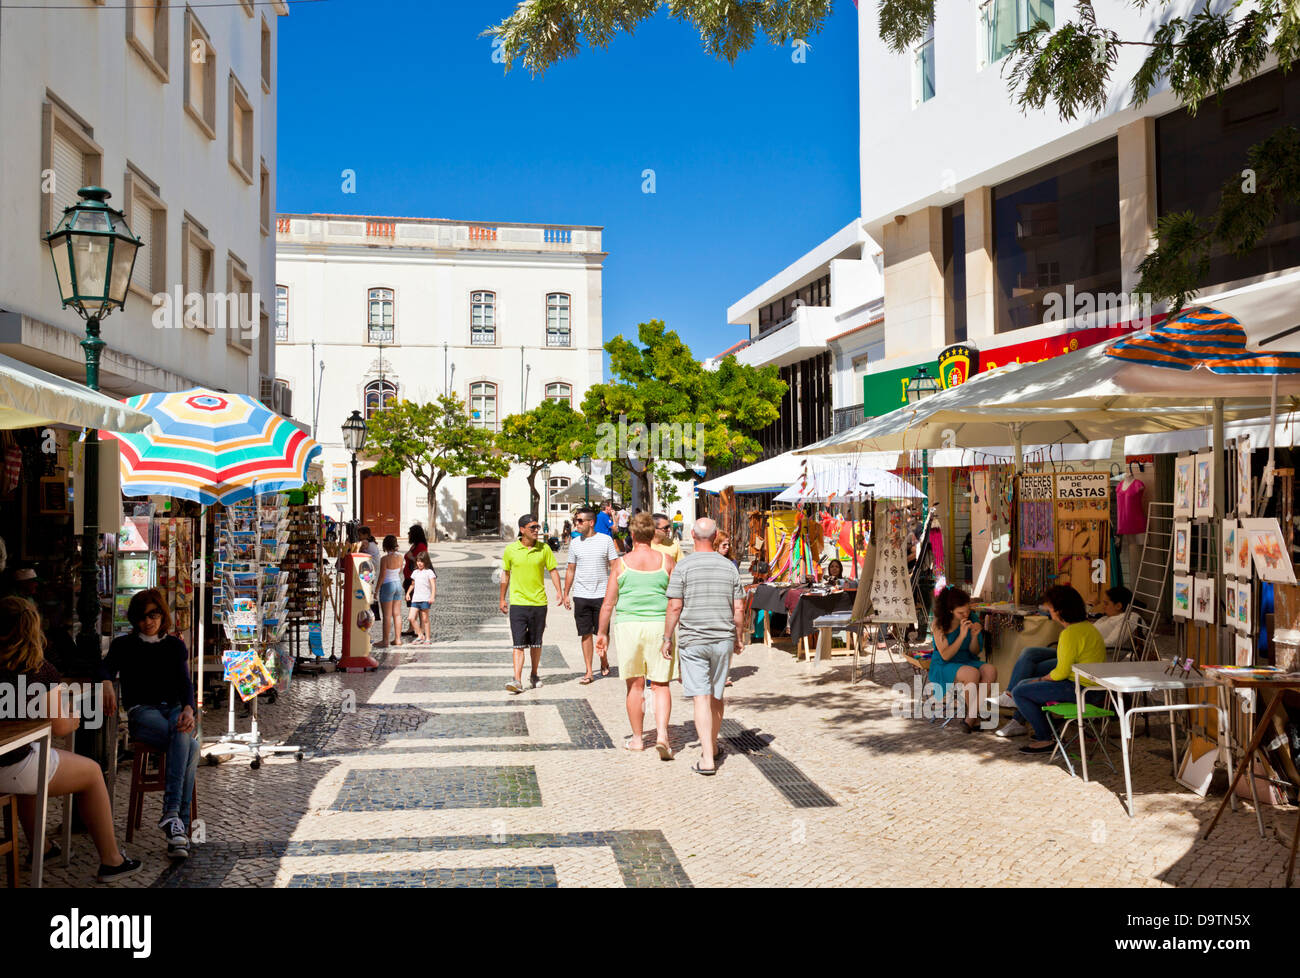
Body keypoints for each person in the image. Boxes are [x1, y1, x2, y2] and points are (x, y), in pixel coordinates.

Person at [0, 596, 141, 881]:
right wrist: (73, 718)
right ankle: (112, 860)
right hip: (11, 765)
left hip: (10, 761)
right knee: (89, 772)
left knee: (33, 768)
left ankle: (44, 848)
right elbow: (62, 727)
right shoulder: (39, 670)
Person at [101, 589, 199, 859]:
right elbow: (104, 667)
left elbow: (185, 684)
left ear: (162, 614)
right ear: (135, 619)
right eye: (143, 616)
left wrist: (190, 709)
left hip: (176, 709)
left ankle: (173, 824)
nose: (149, 621)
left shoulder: (175, 646)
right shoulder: (124, 646)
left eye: (154, 614)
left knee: (185, 735)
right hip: (142, 713)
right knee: (188, 744)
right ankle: (177, 820)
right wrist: (107, 683)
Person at [663, 519, 745, 775]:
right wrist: (739, 637)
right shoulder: (729, 566)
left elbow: (675, 605)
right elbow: (739, 607)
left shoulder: (683, 566)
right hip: (722, 639)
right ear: (716, 536)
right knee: (716, 695)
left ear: (692, 535)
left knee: (700, 696)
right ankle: (713, 745)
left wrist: (667, 637)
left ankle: (708, 757)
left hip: (693, 640)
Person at [595, 512, 677, 758]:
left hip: (629, 627)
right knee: (661, 684)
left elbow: (608, 603)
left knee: (635, 685)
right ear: (653, 534)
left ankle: (638, 739)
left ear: (631, 535)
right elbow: (675, 601)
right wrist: (671, 633)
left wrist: (602, 632)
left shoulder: (621, 564)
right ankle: (662, 735)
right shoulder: (667, 561)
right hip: (659, 626)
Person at [1014, 584, 1108, 755]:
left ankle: (1045, 738)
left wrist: (1041, 679)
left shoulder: (1069, 633)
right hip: (1091, 688)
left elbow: (1061, 673)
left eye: (1050, 609)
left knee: (1020, 692)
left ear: (1059, 611)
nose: (1049, 612)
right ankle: (1043, 730)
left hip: (1082, 690)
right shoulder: (1087, 627)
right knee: (1024, 684)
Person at [501, 514, 566, 694]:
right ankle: (517, 679)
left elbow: (552, 570)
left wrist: (559, 591)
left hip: (539, 603)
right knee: (518, 643)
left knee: (536, 643)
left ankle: (534, 674)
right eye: (533, 527)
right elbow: (505, 574)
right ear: (522, 530)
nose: (537, 531)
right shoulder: (510, 550)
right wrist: (501, 598)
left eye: (537, 527)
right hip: (518, 603)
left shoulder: (544, 549)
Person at [563, 506, 620, 684]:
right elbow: (571, 569)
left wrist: (616, 591)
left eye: (580, 521)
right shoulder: (575, 543)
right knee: (585, 633)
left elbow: (614, 566)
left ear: (591, 522)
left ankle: (603, 658)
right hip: (581, 594)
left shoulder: (605, 540)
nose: (576, 524)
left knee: (602, 631)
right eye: (575, 521)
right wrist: (565, 593)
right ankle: (588, 670)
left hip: (602, 594)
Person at [928, 586, 997, 733]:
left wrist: (973, 636)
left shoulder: (972, 617)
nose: (966, 614)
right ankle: (974, 718)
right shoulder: (938, 624)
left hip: (966, 659)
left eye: (968, 610)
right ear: (950, 610)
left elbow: (975, 651)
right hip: (944, 664)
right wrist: (961, 635)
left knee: (990, 670)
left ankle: (970, 718)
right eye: (961, 612)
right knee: (972, 674)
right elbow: (946, 655)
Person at [376, 535, 404, 648]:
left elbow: (382, 576)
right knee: (397, 614)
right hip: (398, 584)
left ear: (385, 546)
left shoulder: (384, 559)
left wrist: (376, 589)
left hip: (387, 585)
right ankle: (398, 639)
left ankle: (385, 641)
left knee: (387, 615)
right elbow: (400, 571)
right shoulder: (401, 557)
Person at [404, 551, 437, 645]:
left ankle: (427, 638)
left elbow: (433, 586)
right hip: (415, 599)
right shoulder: (415, 572)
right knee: (411, 618)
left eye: (421, 561)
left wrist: (432, 596)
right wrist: (408, 593)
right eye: (418, 561)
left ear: (426, 562)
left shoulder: (429, 572)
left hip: (425, 599)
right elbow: (412, 584)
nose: (419, 563)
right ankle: (420, 635)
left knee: (425, 619)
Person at [401, 525, 429, 636]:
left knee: (419, 604)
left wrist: (411, 557)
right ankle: (411, 628)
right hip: (409, 577)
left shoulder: (421, 546)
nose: (408, 534)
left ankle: (421, 629)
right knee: (413, 604)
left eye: (410, 532)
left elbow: (422, 561)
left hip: (417, 579)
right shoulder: (415, 545)